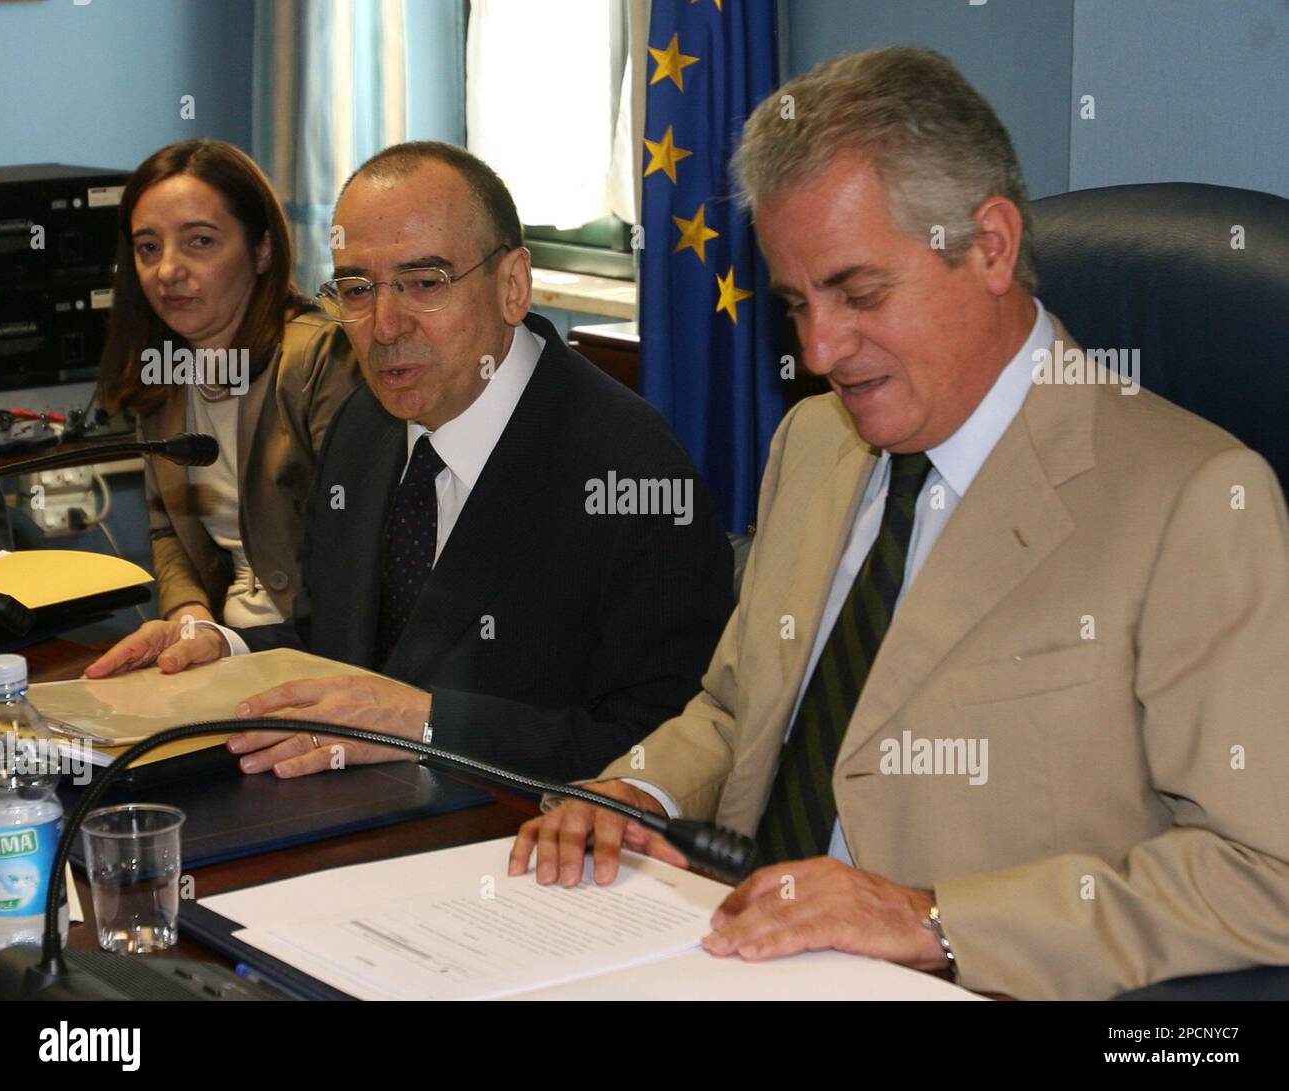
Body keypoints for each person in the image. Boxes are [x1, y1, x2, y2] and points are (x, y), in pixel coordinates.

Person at [510, 47, 1289, 1000]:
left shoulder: (1195, 501)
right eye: (797, 303)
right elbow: (731, 707)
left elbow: (1266, 873)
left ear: (991, 245)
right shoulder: (812, 445)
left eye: (859, 292)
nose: (819, 349)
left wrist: (933, 920)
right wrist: (638, 791)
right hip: (720, 954)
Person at [87, 141, 734, 782]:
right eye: (357, 289)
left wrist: (429, 724)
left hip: (528, 849)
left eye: (424, 283)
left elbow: (659, 748)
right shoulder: (368, 425)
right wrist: (221, 650)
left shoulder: (632, 471)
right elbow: (340, 642)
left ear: (513, 286)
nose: (385, 325)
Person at [87, 139, 360, 638]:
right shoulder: (164, 371)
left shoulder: (319, 359)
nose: (168, 270)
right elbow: (167, 528)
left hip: (312, 642)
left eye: (200, 241)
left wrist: (235, 649)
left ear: (262, 250)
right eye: (149, 247)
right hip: (229, 641)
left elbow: (355, 551)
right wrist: (190, 620)